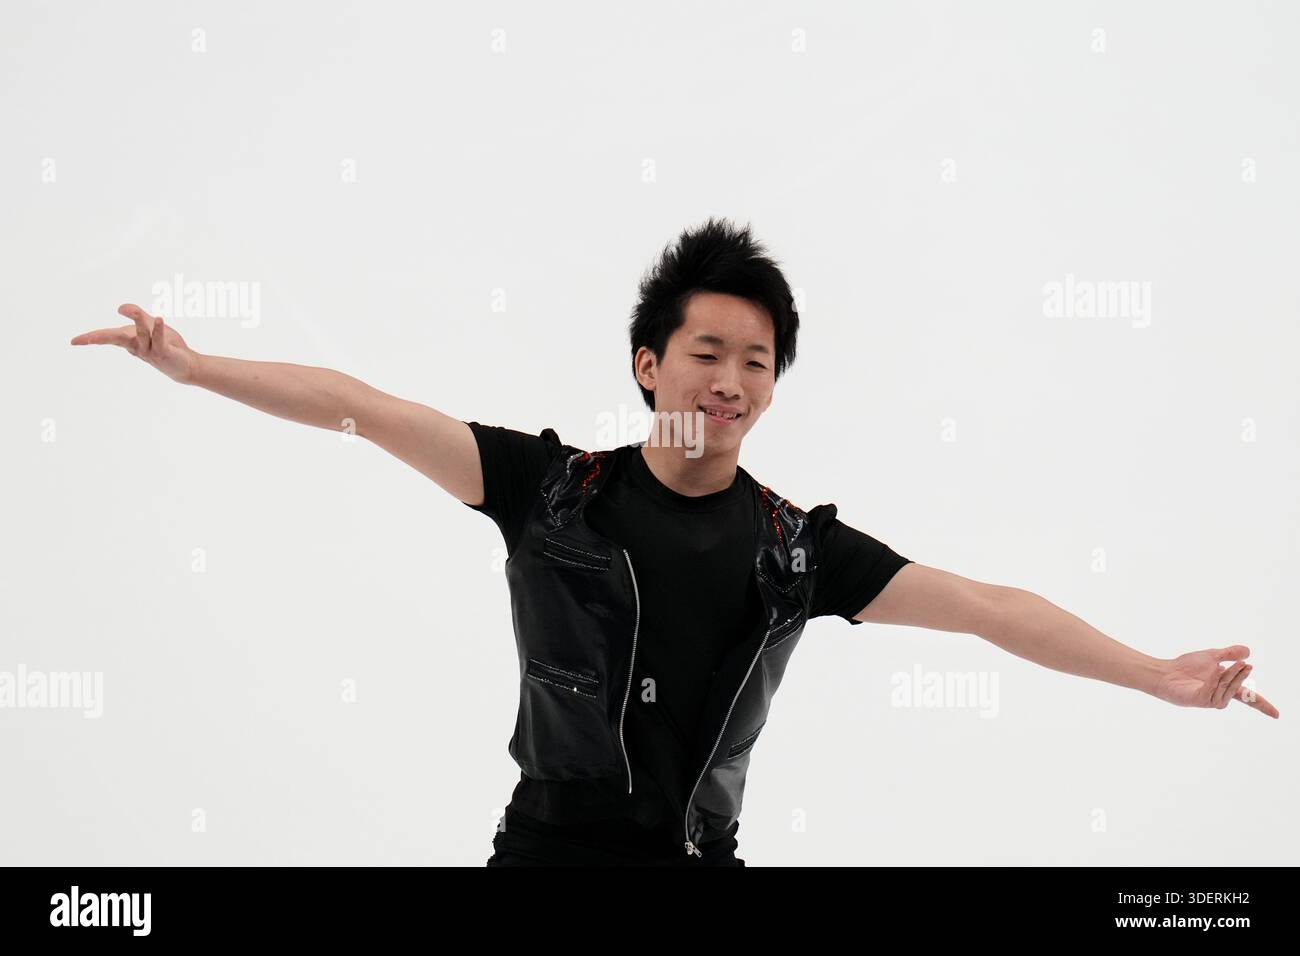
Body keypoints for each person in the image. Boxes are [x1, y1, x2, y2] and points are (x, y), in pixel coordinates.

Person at [71, 217, 1280, 867]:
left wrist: (1153, 673)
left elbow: (984, 606)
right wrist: (195, 366)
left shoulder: (795, 549)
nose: (732, 378)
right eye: (707, 351)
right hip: (546, 847)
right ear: (649, 362)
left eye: (756, 361)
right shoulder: (549, 490)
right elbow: (364, 407)